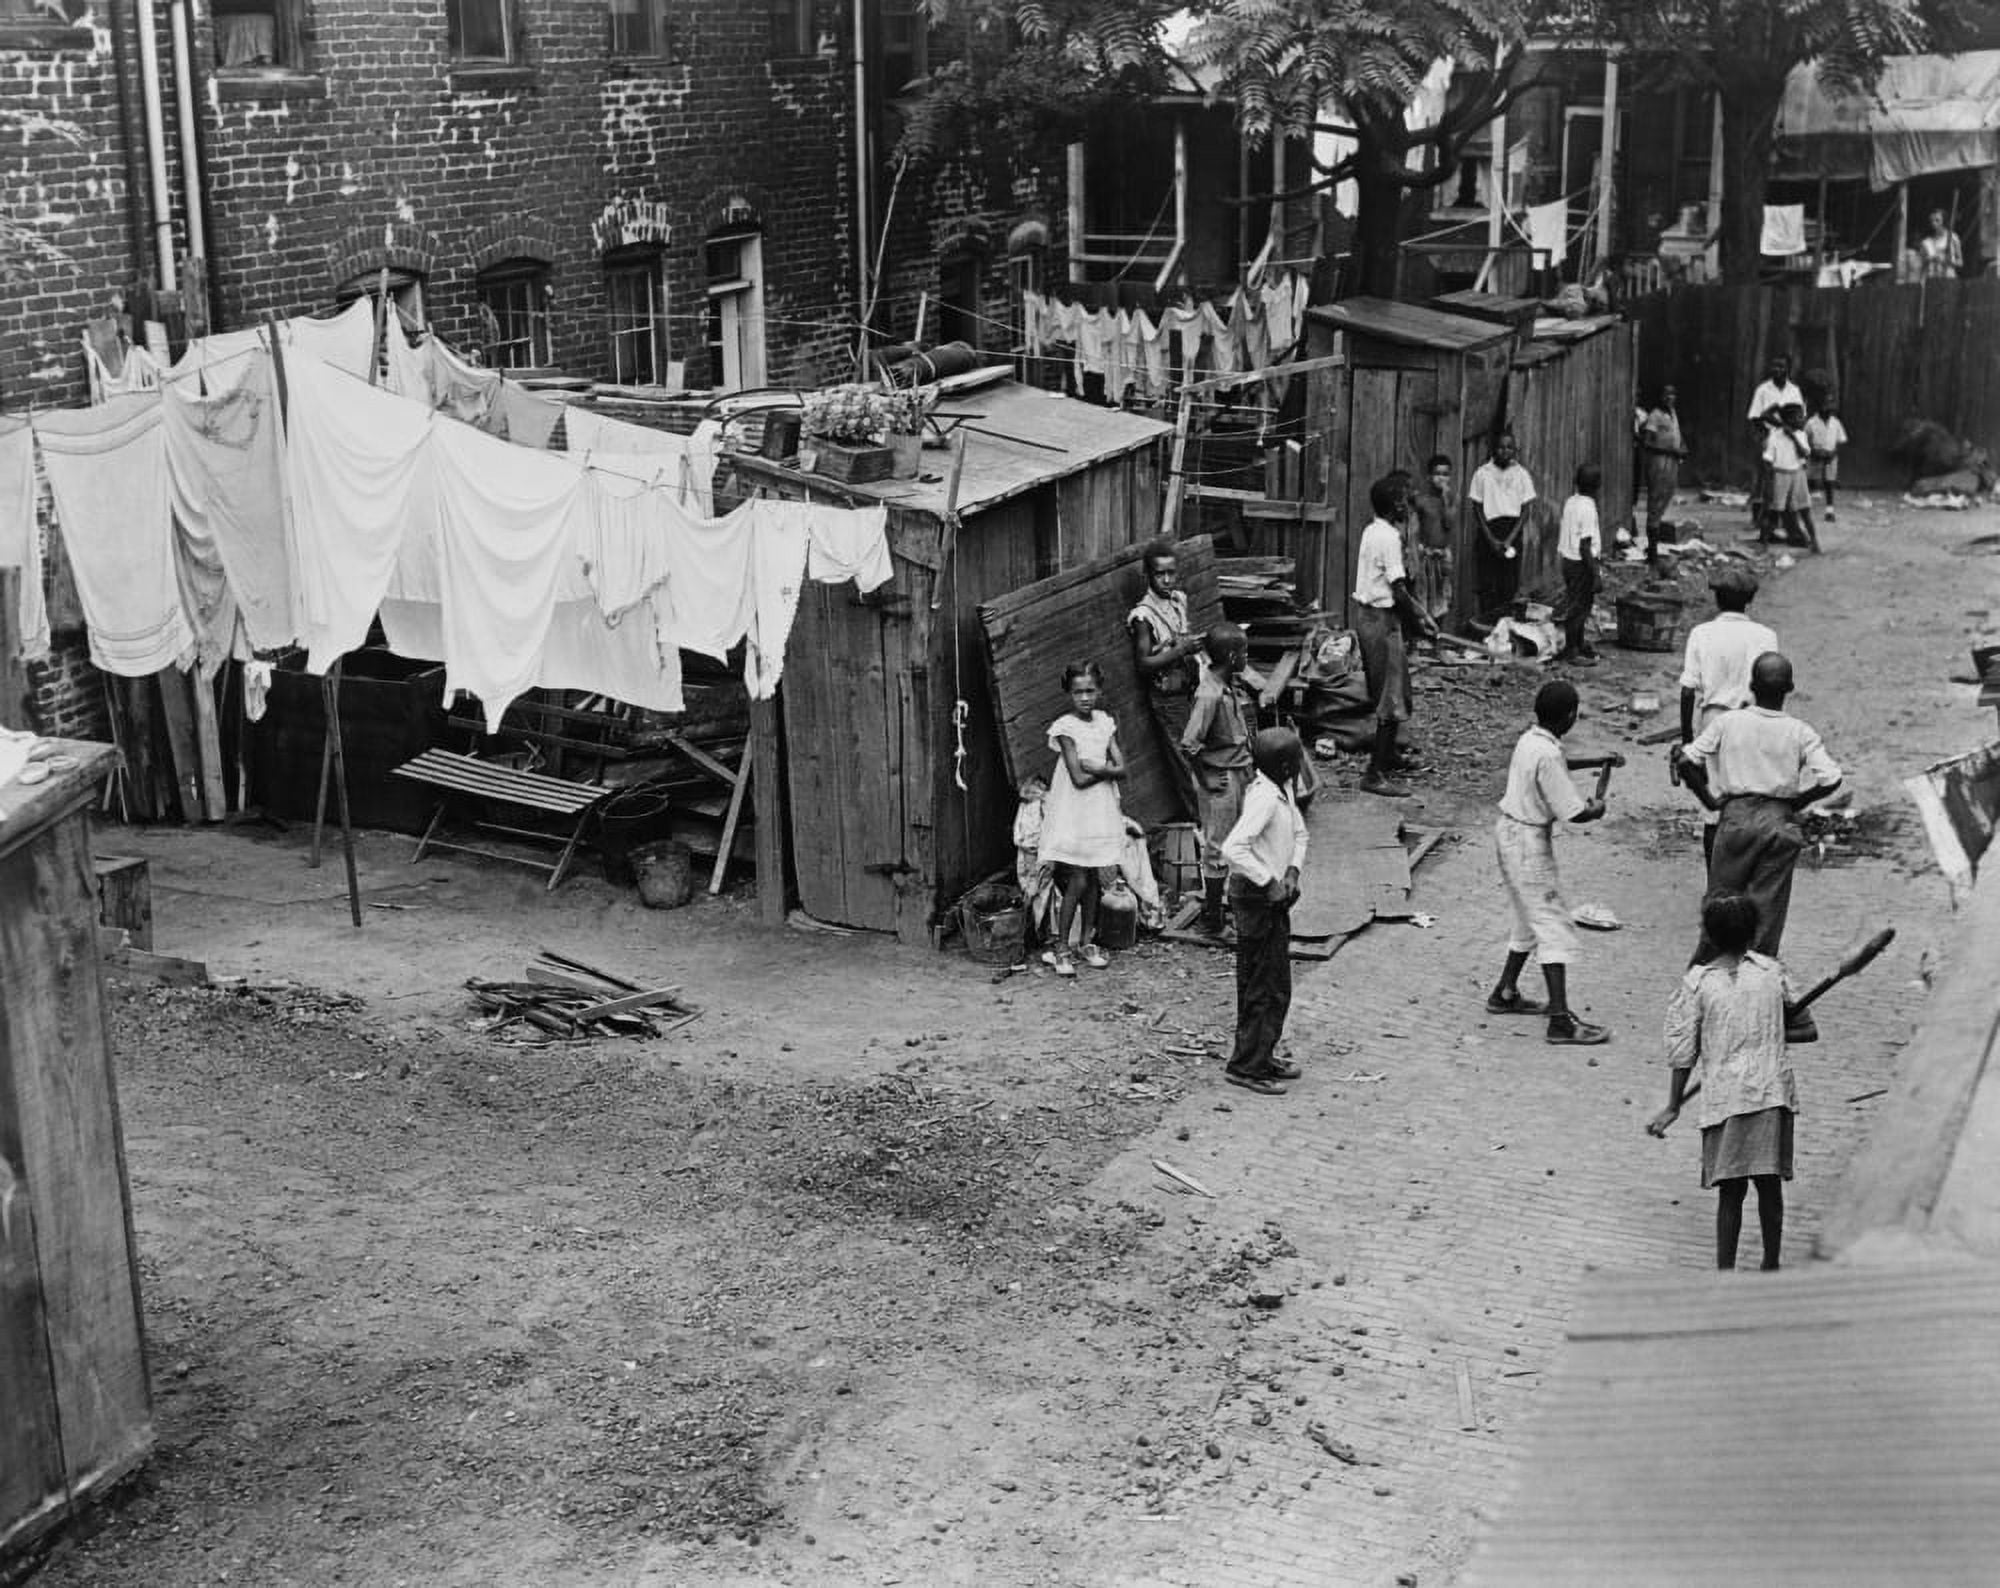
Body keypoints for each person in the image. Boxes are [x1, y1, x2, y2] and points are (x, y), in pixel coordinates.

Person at [1647, 893, 1800, 1272]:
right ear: (1754, 933)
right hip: (1771, 1092)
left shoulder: (1698, 985)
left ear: (1710, 936)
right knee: (1769, 1185)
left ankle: (1725, 1275)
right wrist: (1769, 1030)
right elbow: (1806, 1027)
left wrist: (1672, 1105)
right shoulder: (1772, 973)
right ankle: (1770, 1265)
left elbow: (1683, 1053)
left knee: (1730, 1193)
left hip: (1726, 1099)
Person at [1677, 652, 1842, 966]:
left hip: (1736, 819)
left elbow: (1686, 760)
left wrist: (1710, 800)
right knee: (1766, 917)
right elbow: (1832, 777)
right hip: (1779, 823)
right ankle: (1757, 981)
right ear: (1789, 688)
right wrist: (1801, 800)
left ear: (1751, 685)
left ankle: (1700, 982)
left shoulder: (1729, 722)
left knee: (1720, 907)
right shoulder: (1800, 731)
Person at [1485, 680, 1612, 1046]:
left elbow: (1555, 765)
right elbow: (1574, 813)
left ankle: (1505, 992)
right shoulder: (1547, 754)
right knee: (1552, 923)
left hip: (1509, 831)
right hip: (1526, 843)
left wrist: (1595, 760)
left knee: (1528, 918)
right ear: (1570, 716)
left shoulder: (1532, 740)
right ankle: (1560, 1019)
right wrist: (1597, 808)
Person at [1218, 726, 1309, 1096]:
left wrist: (1291, 872)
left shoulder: (1281, 789)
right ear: (1286, 765)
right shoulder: (1264, 799)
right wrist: (1268, 882)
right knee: (1260, 984)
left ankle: (1262, 1053)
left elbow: (1300, 834)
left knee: (1276, 985)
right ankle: (1246, 1066)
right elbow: (1233, 848)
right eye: (1298, 758)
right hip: (1256, 900)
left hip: (1274, 898)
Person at [1678, 564, 1778, 867]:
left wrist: (1687, 740)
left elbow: (1687, 690)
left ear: (1717, 599)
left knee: (1713, 811)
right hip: (1753, 720)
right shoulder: (1765, 636)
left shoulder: (1701, 634)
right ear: (1749, 600)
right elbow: (1772, 684)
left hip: (1713, 722)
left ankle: (1716, 885)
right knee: (1753, 799)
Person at [1352, 475, 1441, 797]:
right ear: (1394, 505)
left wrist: (1417, 623)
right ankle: (1373, 774)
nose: (1410, 503)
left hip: (1377, 618)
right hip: (1379, 619)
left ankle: (1388, 755)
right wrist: (1422, 617)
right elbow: (1399, 590)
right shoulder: (1388, 537)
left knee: (1396, 688)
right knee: (1390, 697)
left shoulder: (1372, 530)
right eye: (1405, 498)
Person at [1038, 661, 1127, 977]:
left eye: (1090, 691)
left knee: (1093, 879)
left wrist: (1099, 768)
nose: (1085, 698)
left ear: (1099, 690)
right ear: (1069, 694)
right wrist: (1105, 770)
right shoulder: (1065, 727)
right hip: (1074, 809)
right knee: (1077, 878)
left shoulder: (1104, 722)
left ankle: (1086, 941)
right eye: (1078, 692)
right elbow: (1076, 777)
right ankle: (1061, 945)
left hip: (1099, 810)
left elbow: (1122, 767)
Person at [1180, 622, 1256, 937]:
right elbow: (1189, 744)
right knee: (1217, 847)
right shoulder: (1208, 693)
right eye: (1244, 652)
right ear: (1230, 655)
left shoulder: (1227, 685)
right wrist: (1207, 779)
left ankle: (1235, 906)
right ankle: (1213, 920)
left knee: (1242, 841)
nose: (1247, 657)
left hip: (1240, 772)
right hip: (1221, 779)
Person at [1127, 541, 1206, 819]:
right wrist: (1181, 650)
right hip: (1168, 697)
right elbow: (1144, 664)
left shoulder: (1178, 599)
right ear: (1147, 575)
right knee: (1186, 762)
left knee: (1200, 753)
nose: (1167, 579)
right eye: (1160, 574)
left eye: (1172, 572)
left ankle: (1212, 821)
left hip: (1189, 686)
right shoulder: (1142, 616)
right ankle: (1201, 825)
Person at [1468, 432, 1536, 620]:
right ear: (1493, 449)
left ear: (1515, 450)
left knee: (1508, 583)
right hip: (1488, 532)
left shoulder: (1522, 474)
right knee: (1487, 583)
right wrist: (1491, 539)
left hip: (1512, 532)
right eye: (1501, 447)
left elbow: (1525, 510)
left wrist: (1509, 540)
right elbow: (1477, 509)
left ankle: (1503, 627)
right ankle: (1486, 627)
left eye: (1509, 447)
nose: (1505, 451)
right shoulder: (1482, 473)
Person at [1745, 355, 1802, 536]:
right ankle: (1758, 517)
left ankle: (1781, 518)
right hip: (1768, 436)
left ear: (1788, 369)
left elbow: (1800, 415)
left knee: (1785, 476)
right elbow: (1756, 416)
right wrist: (1766, 435)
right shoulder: (1763, 390)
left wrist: (1794, 435)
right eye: (1774, 366)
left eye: (1781, 366)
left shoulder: (1794, 390)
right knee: (1763, 477)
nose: (1777, 369)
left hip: (1789, 439)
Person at [1555, 463, 1603, 666]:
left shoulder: (1571, 502)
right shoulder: (1588, 508)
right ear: (1597, 486)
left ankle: (1579, 643)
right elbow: (1585, 546)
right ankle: (1571, 649)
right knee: (1580, 608)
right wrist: (1596, 573)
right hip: (1581, 563)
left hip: (1568, 561)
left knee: (1578, 604)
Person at [1637, 386, 1687, 562]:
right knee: (1655, 503)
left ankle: (1653, 548)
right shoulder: (1655, 415)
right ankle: (1652, 552)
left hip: (1672, 463)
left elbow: (1676, 435)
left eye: (1673, 394)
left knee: (1665, 499)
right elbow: (1647, 443)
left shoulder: (1672, 413)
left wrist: (1681, 447)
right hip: (1659, 463)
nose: (1670, 397)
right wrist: (1670, 451)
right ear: (1661, 397)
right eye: (1666, 394)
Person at [1762, 403, 1819, 552]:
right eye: (1799, 417)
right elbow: (1768, 460)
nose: (1802, 420)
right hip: (1780, 475)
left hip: (1798, 474)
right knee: (1774, 512)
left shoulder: (1801, 435)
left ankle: (1814, 542)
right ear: (1789, 419)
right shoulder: (1775, 435)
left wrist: (1793, 437)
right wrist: (1769, 482)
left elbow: (1804, 454)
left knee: (1805, 510)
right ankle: (1765, 546)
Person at [1408, 453, 1457, 624]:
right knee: (1424, 598)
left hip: (1442, 557)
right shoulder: (1421, 500)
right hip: (1426, 557)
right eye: (1437, 474)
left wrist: (1446, 500)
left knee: (1442, 599)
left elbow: (1449, 524)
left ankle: (1438, 638)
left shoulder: (1449, 501)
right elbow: (1412, 527)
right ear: (1429, 476)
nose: (1441, 478)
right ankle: (1423, 639)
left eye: (1445, 474)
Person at [1805, 398, 1848, 519]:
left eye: (1831, 405)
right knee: (1810, 482)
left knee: (1829, 482)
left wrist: (1833, 452)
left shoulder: (1836, 423)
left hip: (1830, 457)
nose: (1828, 408)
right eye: (1825, 404)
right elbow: (1805, 439)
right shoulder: (1811, 422)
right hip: (1815, 456)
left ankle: (1830, 510)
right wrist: (1813, 452)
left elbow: (1840, 439)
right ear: (1819, 407)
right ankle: (1804, 508)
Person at [1919, 208, 1963, 280]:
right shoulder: (1926, 242)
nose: (1934, 223)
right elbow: (1923, 266)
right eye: (1932, 221)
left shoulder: (1952, 238)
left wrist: (1948, 261)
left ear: (1943, 221)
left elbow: (1960, 263)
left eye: (1937, 220)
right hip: (1932, 279)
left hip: (1949, 278)